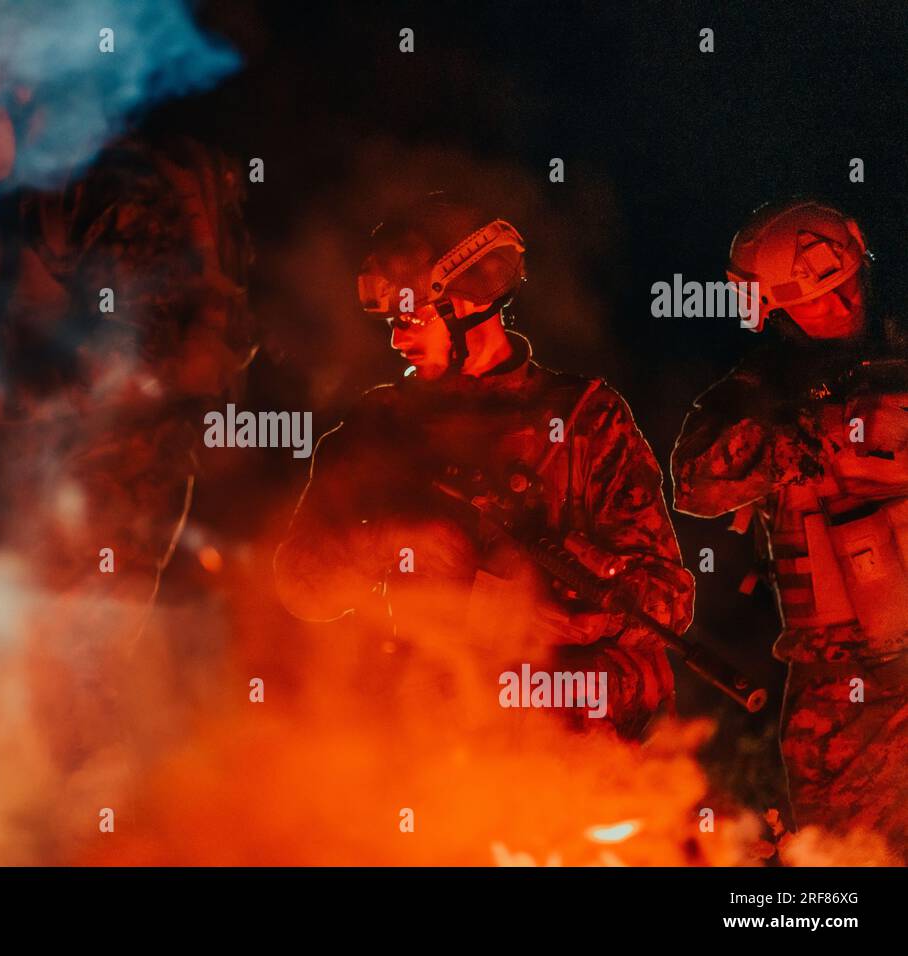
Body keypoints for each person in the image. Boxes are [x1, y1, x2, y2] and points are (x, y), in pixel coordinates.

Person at [273, 195, 694, 739]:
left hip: (581, 754)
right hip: (437, 746)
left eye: (412, 316)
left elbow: (670, 601)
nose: (398, 338)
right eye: (392, 322)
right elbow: (300, 587)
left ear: (468, 303)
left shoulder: (586, 420)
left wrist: (574, 609)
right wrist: (386, 540)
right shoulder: (375, 429)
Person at [672, 199, 908, 854]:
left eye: (847, 284)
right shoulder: (763, 389)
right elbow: (696, 484)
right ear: (773, 311)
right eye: (816, 300)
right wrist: (805, 434)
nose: (840, 307)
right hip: (845, 694)